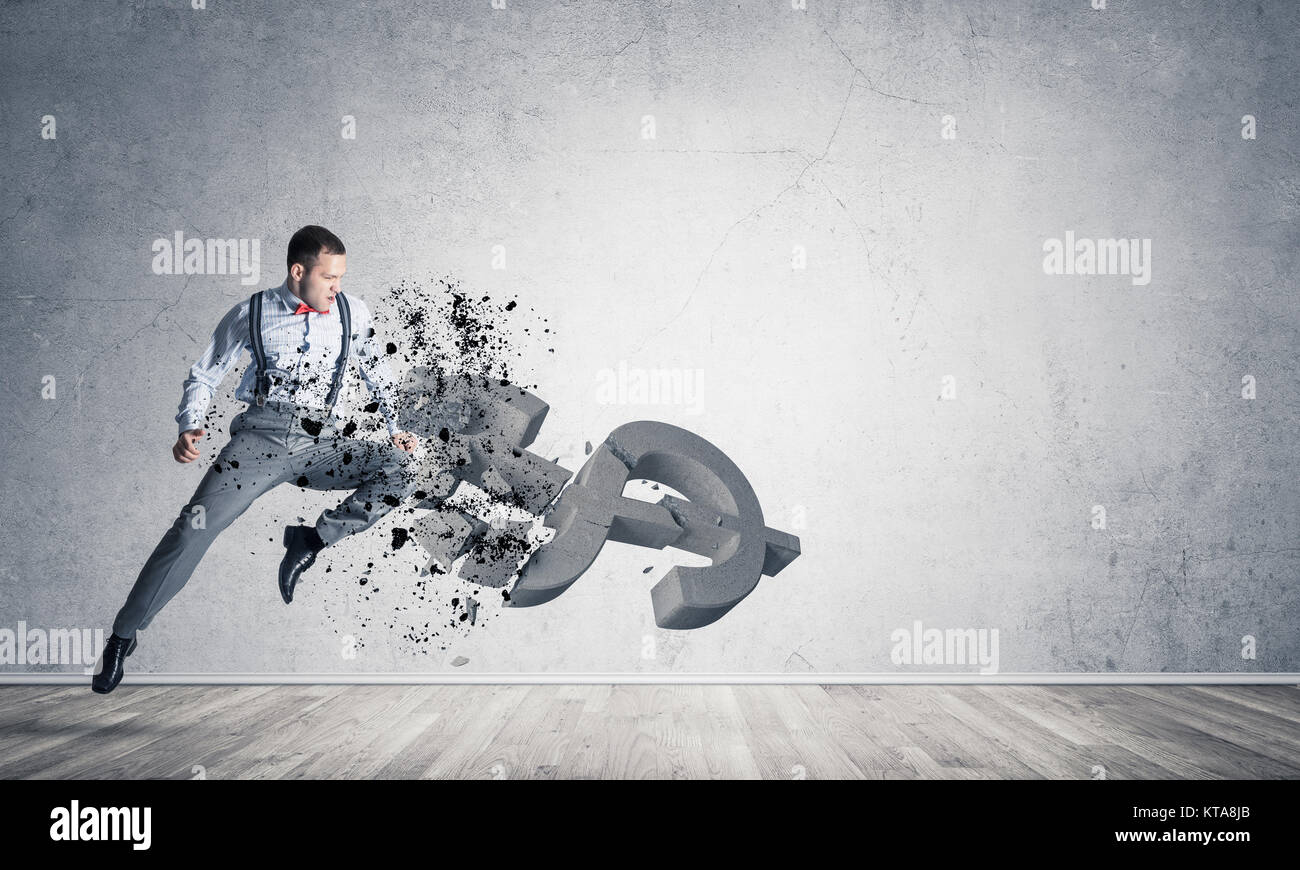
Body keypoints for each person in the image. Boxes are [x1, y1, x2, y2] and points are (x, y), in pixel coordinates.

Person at [92, 225, 426, 694]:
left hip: (323, 441)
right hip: (260, 439)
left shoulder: (354, 311)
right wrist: (189, 425)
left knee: (401, 468)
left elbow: (378, 372)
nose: (338, 286)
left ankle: (309, 541)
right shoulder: (251, 312)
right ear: (298, 271)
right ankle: (123, 637)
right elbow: (205, 373)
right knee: (192, 530)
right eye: (329, 277)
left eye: (341, 277)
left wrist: (396, 428)